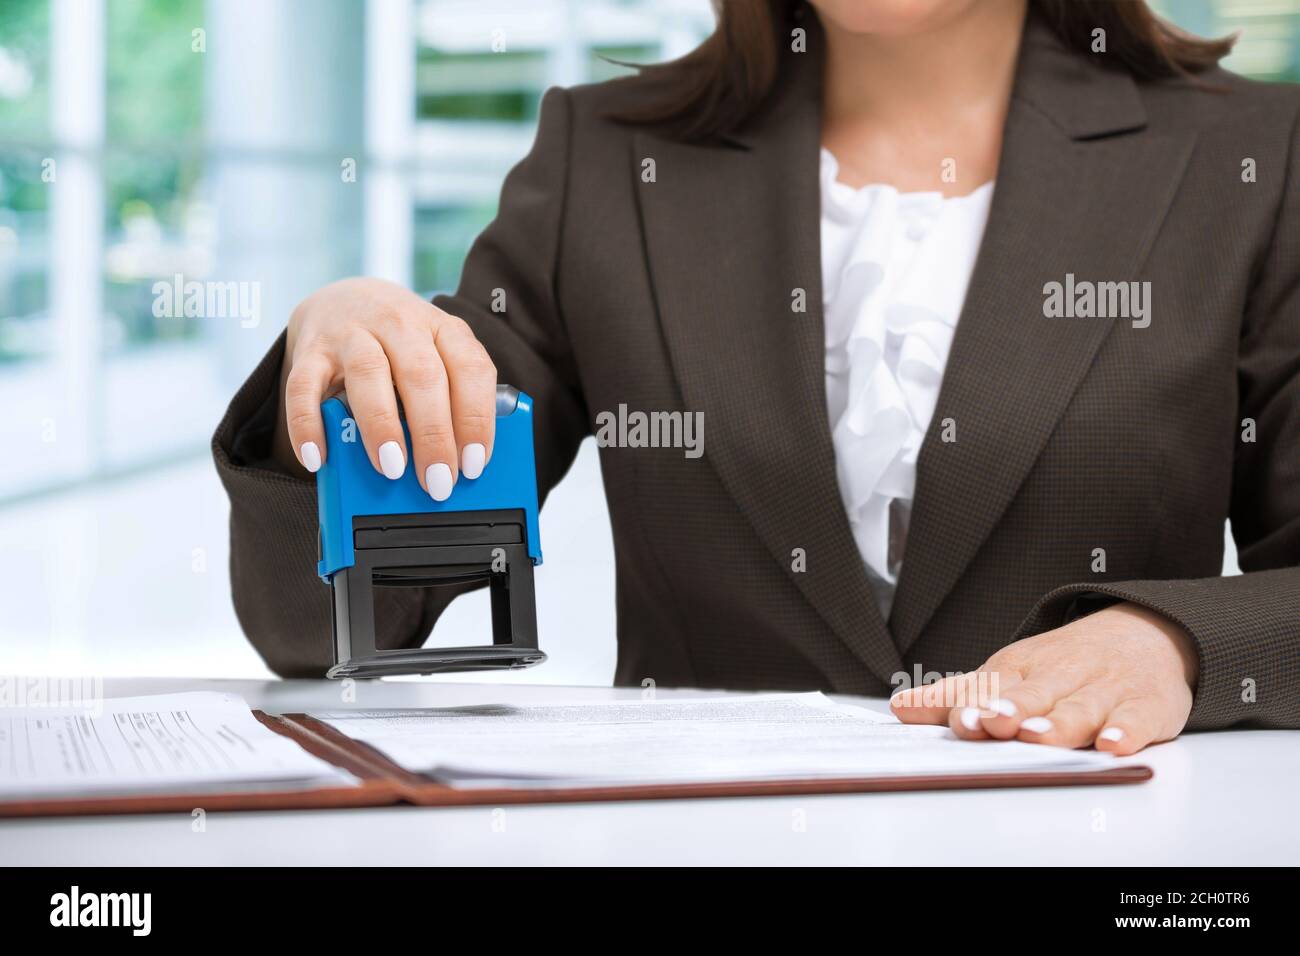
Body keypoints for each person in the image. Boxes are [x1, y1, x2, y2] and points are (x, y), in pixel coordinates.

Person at [213, 0, 1300, 754]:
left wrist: (1180, 644)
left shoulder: (1253, 156)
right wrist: (342, 364)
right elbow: (328, 630)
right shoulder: (604, 160)